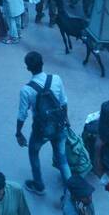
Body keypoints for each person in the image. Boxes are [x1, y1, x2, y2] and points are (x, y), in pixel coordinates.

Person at [16, 51, 69, 195]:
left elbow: (22, 115)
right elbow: (64, 102)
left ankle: (39, 185)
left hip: (41, 130)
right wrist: (66, 121)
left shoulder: (26, 90)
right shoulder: (56, 79)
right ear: (43, 63)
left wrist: (18, 132)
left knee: (33, 152)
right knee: (62, 159)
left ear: (28, 68)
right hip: (59, 126)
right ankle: (71, 193)